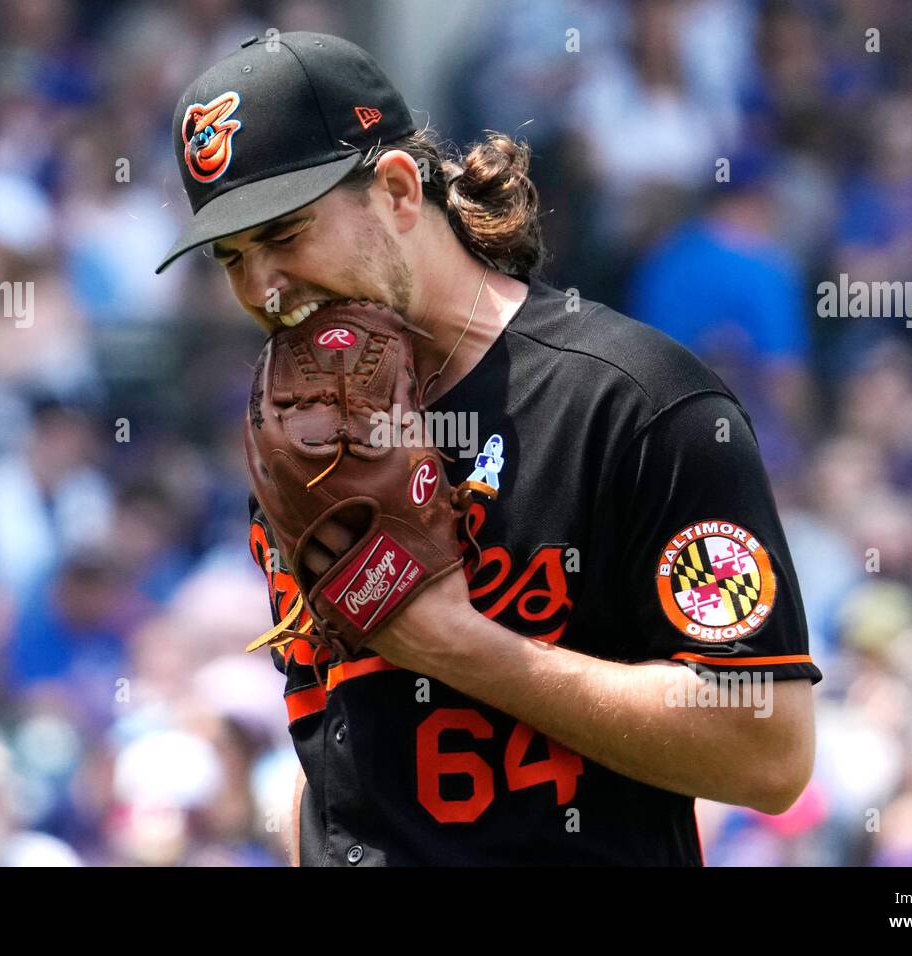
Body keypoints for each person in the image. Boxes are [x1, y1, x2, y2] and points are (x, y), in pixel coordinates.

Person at [156, 32, 820, 866]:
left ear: (398, 191)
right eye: (231, 258)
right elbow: (329, 750)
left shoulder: (637, 404)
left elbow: (770, 751)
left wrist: (455, 645)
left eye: (284, 235)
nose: (262, 290)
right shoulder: (303, 438)